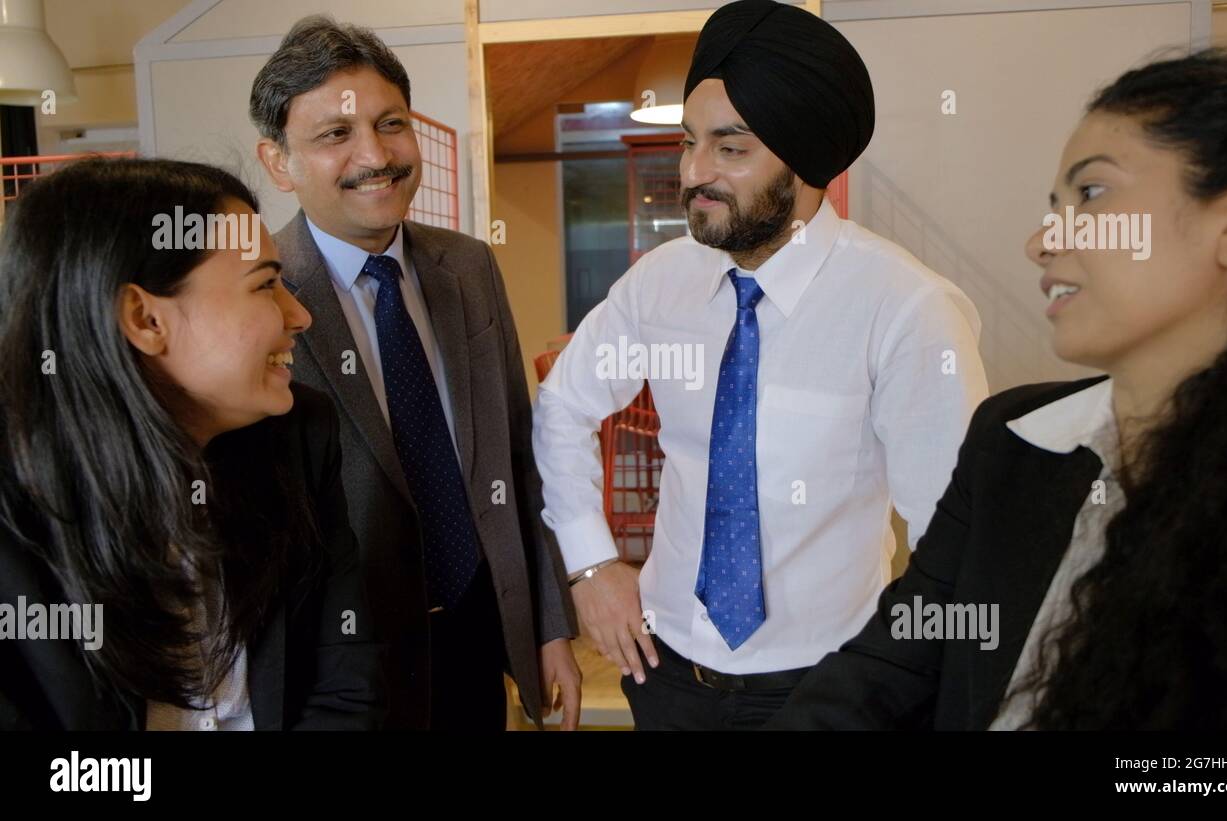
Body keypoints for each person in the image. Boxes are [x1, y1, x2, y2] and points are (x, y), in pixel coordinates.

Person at [769, 48, 1227, 730]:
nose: (1042, 241)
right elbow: (900, 659)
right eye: (1055, 205)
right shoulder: (1012, 440)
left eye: (1094, 194)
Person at [533, 0, 987, 730]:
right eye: (688, 142)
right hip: (665, 673)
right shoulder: (661, 282)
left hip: (830, 687)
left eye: (730, 148)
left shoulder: (905, 308)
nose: (693, 172)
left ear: (805, 162)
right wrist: (591, 565)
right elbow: (563, 405)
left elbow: (954, 533)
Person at [251, 16, 580, 731]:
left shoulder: (467, 265)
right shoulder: (258, 294)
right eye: (336, 135)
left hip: (474, 629)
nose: (375, 154)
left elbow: (517, 456)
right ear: (278, 163)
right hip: (340, 669)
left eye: (389, 123)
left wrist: (549, 624)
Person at [0, 157, 383, 730]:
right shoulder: (16, 520)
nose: (298, 315)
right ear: (145, 319)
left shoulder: (298, 437)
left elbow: (346, 682)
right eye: (266, 285)